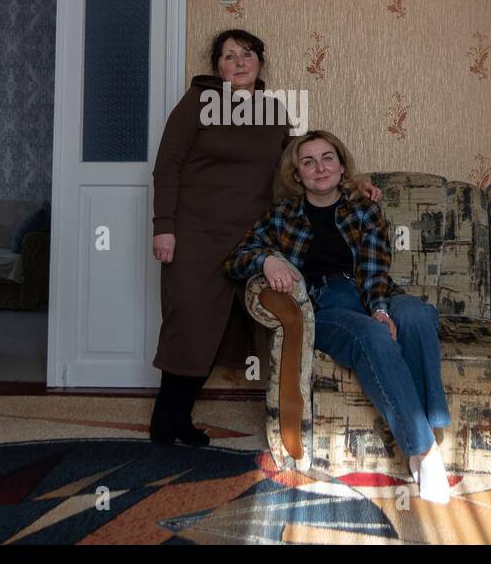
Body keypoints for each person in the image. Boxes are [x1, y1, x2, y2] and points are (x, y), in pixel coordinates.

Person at [150, 30, 379, 446]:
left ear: (260, 62)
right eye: (229, 56)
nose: (239, 62)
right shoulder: (198, 104)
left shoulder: (273, 112)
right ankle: (167, 420)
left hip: (250, 238)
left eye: (248, 54)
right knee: (190, 322)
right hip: (196, 232)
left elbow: (303, 161)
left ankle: (179, 420)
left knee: (229, 328)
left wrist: (355, 184)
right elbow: (167, 166)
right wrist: (163, 226)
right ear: (216, 67)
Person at [225, 129, 452, 503]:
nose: (319, 168)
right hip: (325, 306)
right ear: (296, 175)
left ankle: (428, 430)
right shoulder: (282, 216)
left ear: (341, 165)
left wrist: (380, 308)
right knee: (373, 336)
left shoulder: (363, 208)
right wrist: (266, 260)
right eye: (308, 162)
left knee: (415, 314)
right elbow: (236, 259)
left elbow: (377, 268)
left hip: (369, 292)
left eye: (328, 158)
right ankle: (425, 452)